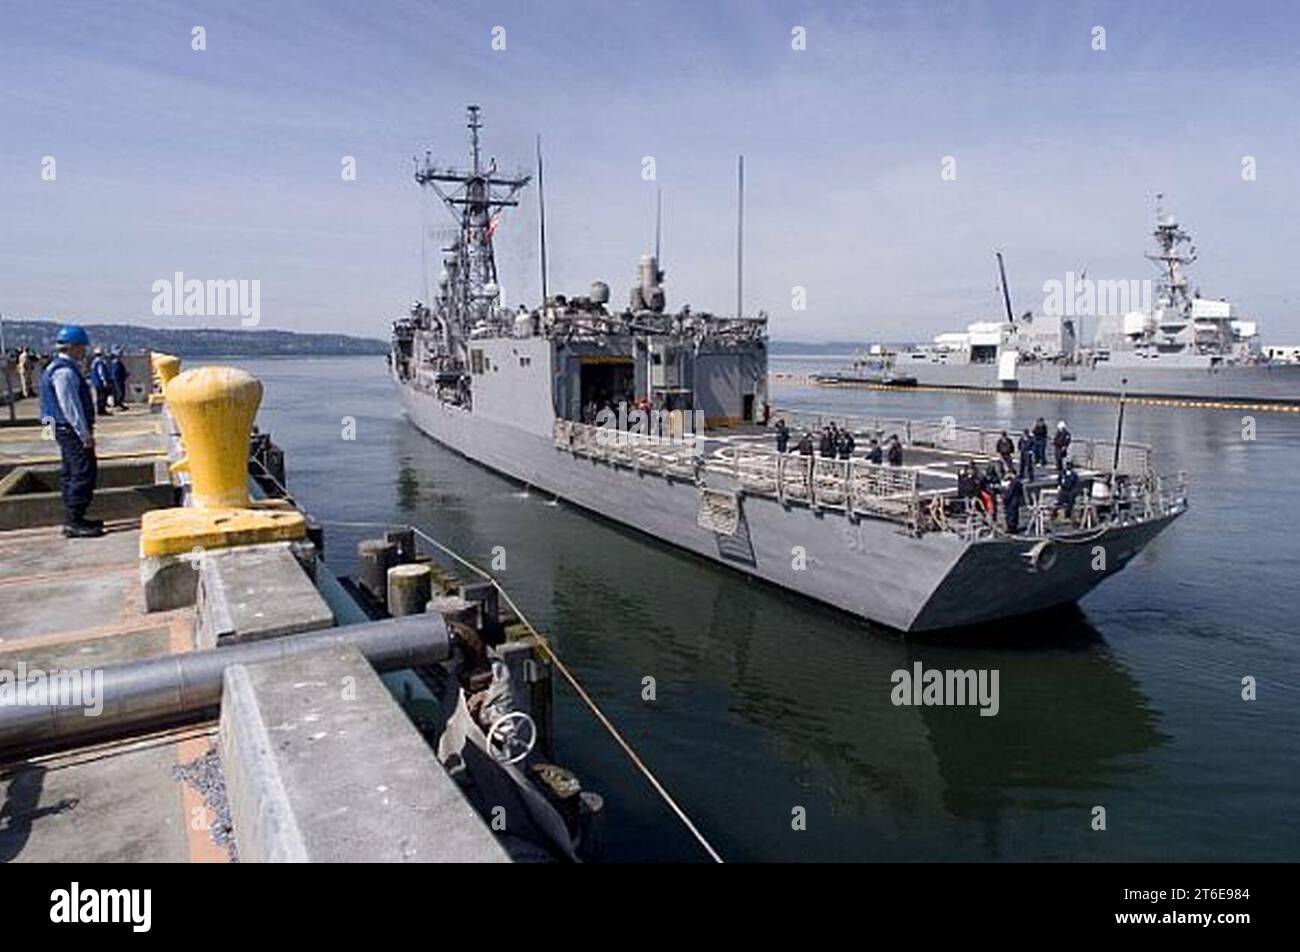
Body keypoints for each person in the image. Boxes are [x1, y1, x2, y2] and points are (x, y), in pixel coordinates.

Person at [40, 325, 103, 538]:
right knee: (83, 471)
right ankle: (74, 521)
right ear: (74, 347)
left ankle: (74, 517)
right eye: (82, 347)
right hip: (69, 429)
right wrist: (84, 435)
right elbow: (70, 406)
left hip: (59, 426)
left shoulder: (53, 367)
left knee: (70, 471)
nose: (84, 351)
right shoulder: (65, 372)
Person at [90, 347, 111, 414]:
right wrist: (104, 381)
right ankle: (102, 410)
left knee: (98, 396)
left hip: (95, 382)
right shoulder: (100, 362)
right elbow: (101, 372)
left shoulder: (93, 362)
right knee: (102, 396)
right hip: (100, 382)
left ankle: (99, 409)